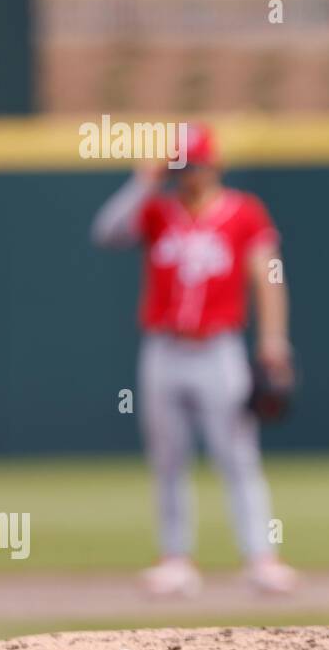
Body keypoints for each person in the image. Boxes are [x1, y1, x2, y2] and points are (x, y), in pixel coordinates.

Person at [91, 124, 299, 597]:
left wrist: (273, 341)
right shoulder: (158, 212)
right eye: (183, 168)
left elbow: (268, 277)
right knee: (168, 457)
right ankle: (176, 559)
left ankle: (261, 558)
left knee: (238, 455)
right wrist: (144, 179)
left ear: (216, 166)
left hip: (219, 349)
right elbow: (106, 232)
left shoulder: (244, 213)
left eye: (198, 166)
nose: (191, 176)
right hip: (164, 347)